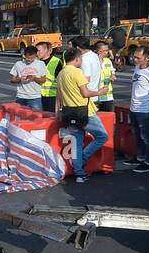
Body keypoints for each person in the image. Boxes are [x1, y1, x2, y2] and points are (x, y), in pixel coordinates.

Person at [55, 48, 107, 183]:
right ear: (77, 59)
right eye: (81, 59)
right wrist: (100, 92)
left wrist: (57, 112)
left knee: (77, 143)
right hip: (85, 112)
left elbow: (59, 95)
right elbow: (86, 93)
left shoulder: (61, 73)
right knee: (102, 136)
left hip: (69, 112)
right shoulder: (77, 72)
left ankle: (79, 174)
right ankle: (83, 159)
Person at [126, 46, 149, 173]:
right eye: (135, 57)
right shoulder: (137, 68)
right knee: (137, 134)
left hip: (145, 110)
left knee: (147, 136)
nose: (135, 60)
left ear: (147, 58)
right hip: (134, 108)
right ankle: (140, 157)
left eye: (138, 58)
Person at [9, 45, 48, 110]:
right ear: (24, 55)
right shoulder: (18, 64)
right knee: (19, 117)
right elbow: (12, 80)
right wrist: (19, 79)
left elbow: (43, 80)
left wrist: (34, 78)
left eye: (32, 58)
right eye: (27, 58)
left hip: (35, 97)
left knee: (37, 116)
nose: (29, 60)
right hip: (21, 96)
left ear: (36, 55)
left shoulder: (41, 64)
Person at [37, 40, 62, 113]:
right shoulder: (35, 62)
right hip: (37, 96)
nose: (37, 53)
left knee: (51, 118)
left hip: (52, 96)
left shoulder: (57, 62)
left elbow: (60, 81)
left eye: (39, 51)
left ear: (49, 50)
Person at [95, 41, 116, 113]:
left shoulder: (108, 61)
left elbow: (112, 71)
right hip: (97, 96)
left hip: (108, 97)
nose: (108, 52)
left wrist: (113, 76)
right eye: (106, 50)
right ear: (99, 51)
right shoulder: (93, 62)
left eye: (108, 50)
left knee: (110, 119)